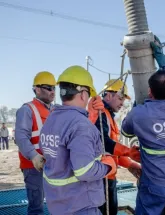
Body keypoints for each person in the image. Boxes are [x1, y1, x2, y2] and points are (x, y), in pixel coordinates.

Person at [121, 36, 165, 215]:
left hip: (155, 186)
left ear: (150, 92)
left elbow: (125, 131)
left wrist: (138, 106)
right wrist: (162, 58)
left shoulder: (140, 114)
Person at [40, 65, 117, 215]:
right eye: (88, 94)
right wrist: (108, 167)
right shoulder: (80, 125)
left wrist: (91, 115)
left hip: (58, 204)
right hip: (80, 206)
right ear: (82, 94)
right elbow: (84, 171)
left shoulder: (52, 118)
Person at [94, 79, 141, 215]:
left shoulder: (108, 116)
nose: (122, 103)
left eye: (124, 100)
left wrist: (130, 164)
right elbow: (104, 143)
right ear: (108, 95)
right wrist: (128, 152)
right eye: (120, 98)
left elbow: (112, 152)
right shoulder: (100, 114)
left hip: (108, 176)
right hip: (101, 178)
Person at [15, 71, 56, 215]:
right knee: (36, 207)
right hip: (34, 167)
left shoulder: (55, 110)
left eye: (54, 88)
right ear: (37, 89)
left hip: (52, 165)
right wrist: (34, 156)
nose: (53, 91)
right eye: (48, 88)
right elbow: (21, 137)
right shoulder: (27, 110)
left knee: (55, 203)